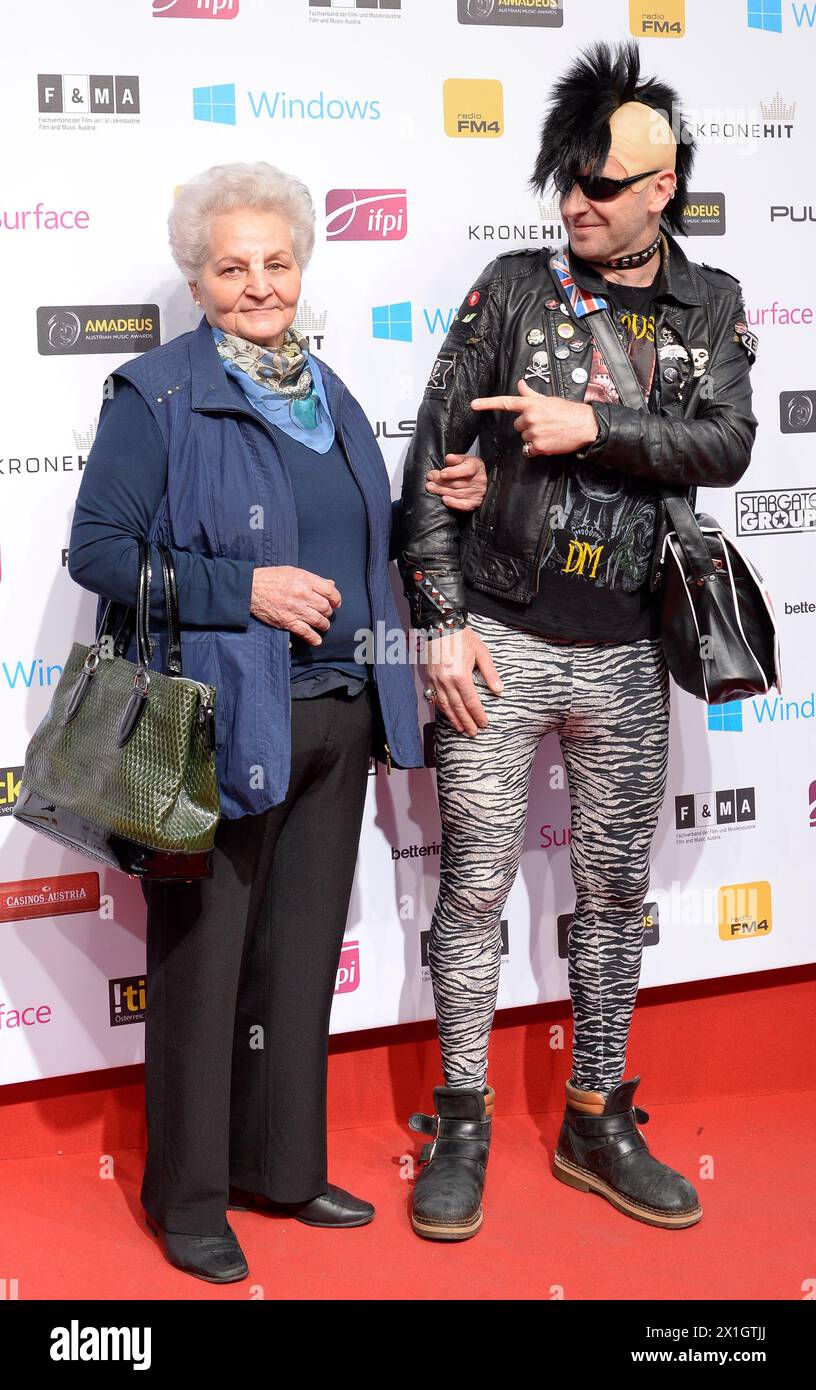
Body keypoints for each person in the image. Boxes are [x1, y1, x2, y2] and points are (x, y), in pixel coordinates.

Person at [67, 161, 487, 1282]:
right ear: (197, 279)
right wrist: (239, 588)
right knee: (202, 972)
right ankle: (192, 1198)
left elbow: (359, 526)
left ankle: (282, 1168)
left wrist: (439, 505)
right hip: (211, 722)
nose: (259, 283)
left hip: (338, 717)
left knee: (299, 962)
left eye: (278, 261)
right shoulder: (155, 394)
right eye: (231, 266)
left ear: (304, 266)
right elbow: (99, 553)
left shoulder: (330, 389)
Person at [398, 41, 758, 1240]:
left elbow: (726, 446)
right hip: (499, 645)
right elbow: (427, 470)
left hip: (626, 659)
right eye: (564, 182)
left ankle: (595, 1116)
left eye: (600, 187)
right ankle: (460, 1115)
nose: (574, 206)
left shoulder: (711, 306)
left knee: (611, 900)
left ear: (660, 189)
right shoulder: (511, 292)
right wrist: (441, 627)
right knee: (474, 892)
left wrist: (590, 425)